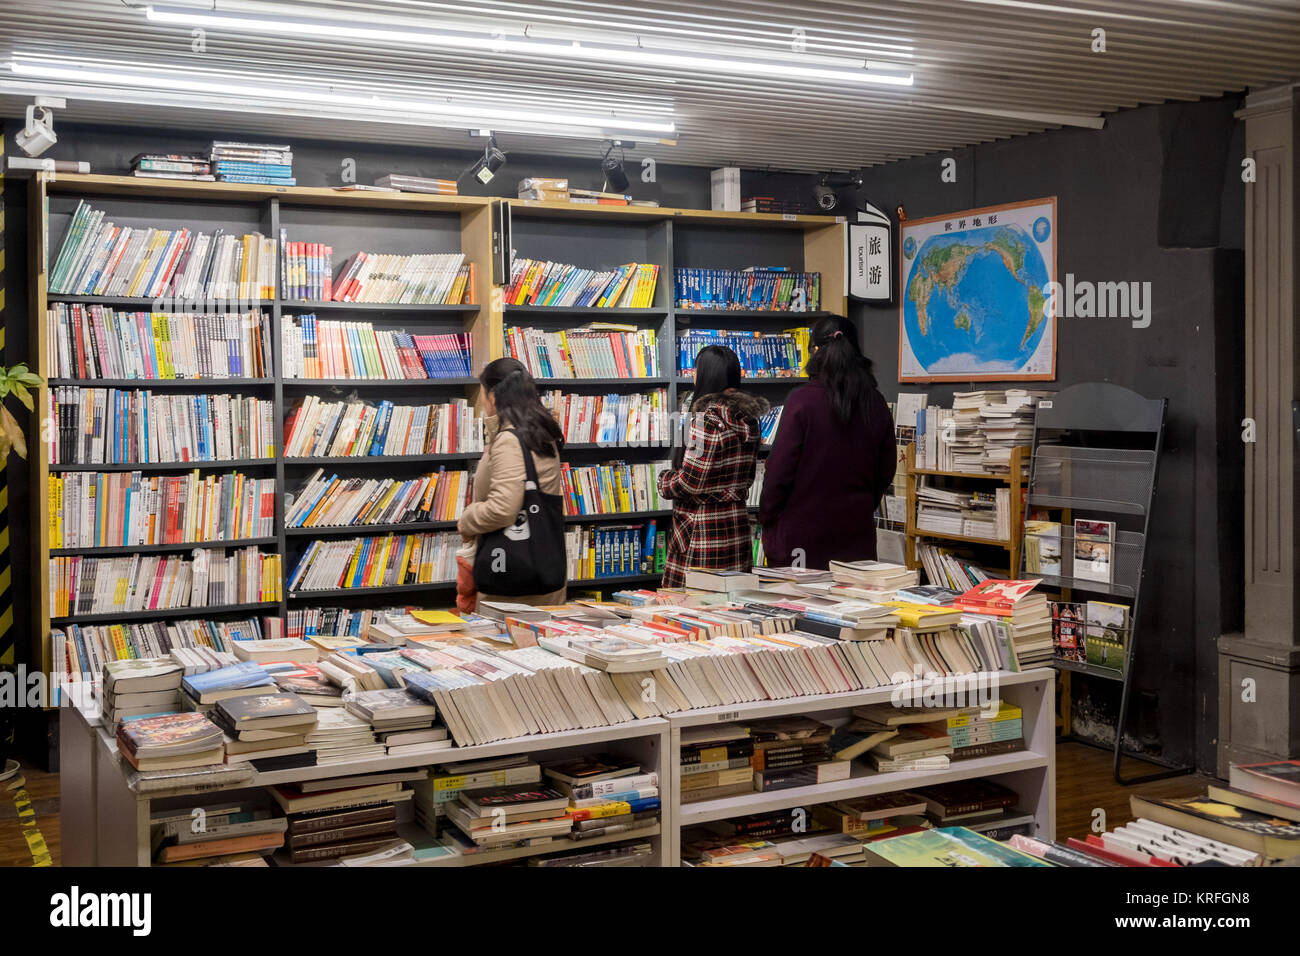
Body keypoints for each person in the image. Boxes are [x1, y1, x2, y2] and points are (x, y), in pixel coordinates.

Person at [758, 315, 895, 570]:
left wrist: (768, 517)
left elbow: (779, 471)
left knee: (797, 608)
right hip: (857, 538)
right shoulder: (875, 402)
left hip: (800, 541)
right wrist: (861, 503)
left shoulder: (802, 401)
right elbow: (886, 470)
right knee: (855, 607)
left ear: (814, 352)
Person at [457, 357, 567, 607]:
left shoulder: (510, 439)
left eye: (483, 393)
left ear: (493, 395)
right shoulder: (540, 432)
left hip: (511, 579)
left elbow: (503, 509)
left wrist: (467, 519)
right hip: (541, 567)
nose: (483, 402)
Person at [657, 345, 767, 588]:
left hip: (701, 528)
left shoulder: (706, 418)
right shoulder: (749, 417)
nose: (693, 375)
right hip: (736, 523)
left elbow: (690, 482)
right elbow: (748, 475)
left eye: (696, 369)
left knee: (691, 606)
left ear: (707, 374)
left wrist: (664, 480)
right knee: (732, 605)